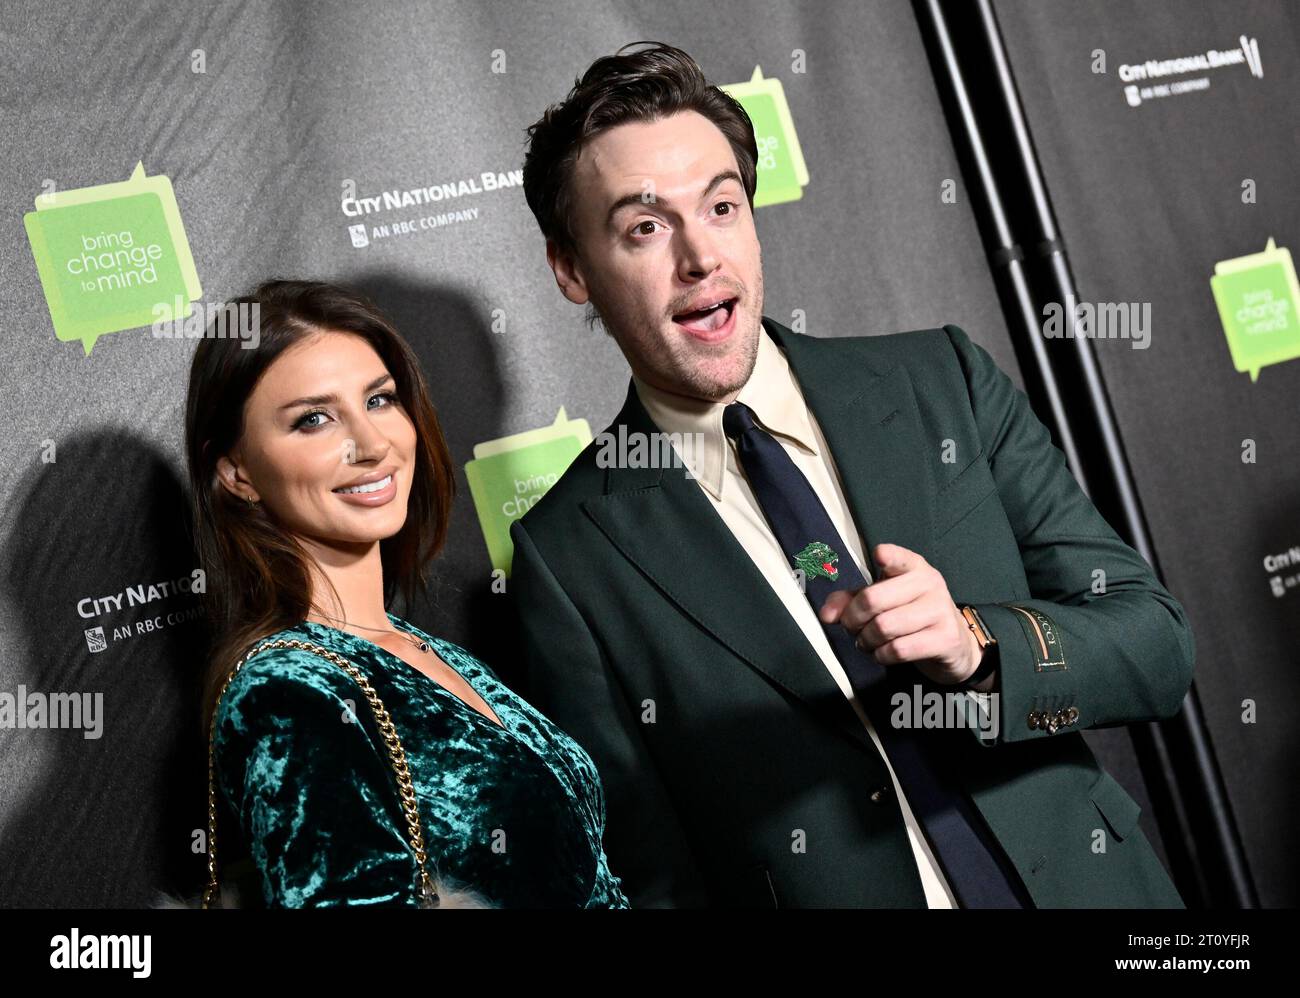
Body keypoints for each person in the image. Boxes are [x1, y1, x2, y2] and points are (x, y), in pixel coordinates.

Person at [509, 42, 1196, 907]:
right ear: (572, 270)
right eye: (645, 227)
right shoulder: (569, 554)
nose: (700, 258)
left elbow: (1156, 645)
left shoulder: (938, 382)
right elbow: (650, 881)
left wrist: (979, 649)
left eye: (722, 207)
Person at [184, 279, 628, 908]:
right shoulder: (288, 693)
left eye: (381, 400)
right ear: (236, 471)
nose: (369, 445)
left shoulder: (430, 652)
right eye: (314, 419)